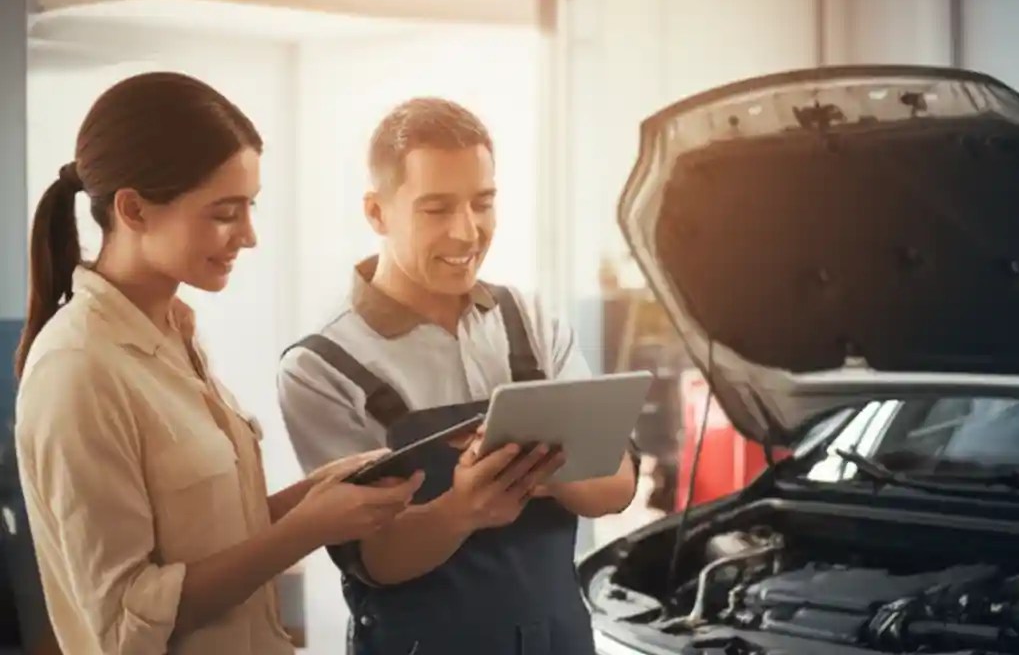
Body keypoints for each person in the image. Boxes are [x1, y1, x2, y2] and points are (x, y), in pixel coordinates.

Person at [12, 72, 424, 655]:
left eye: (249, 207)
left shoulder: (175, 331)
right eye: (225, 213)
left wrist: (312, 494)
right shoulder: (77, 368)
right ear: (133, 209)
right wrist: (307, 529)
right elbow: (127, 624)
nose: (248, 236)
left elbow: (210, 541)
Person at [277, 97, 638, 654]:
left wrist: (536, 468)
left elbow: (617, 487)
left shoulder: (531, 322)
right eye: (437, 209)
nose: (468, 232)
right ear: (376, 213)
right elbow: (376, 559)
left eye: (482, 203)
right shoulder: (321, 367)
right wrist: (462, 509)